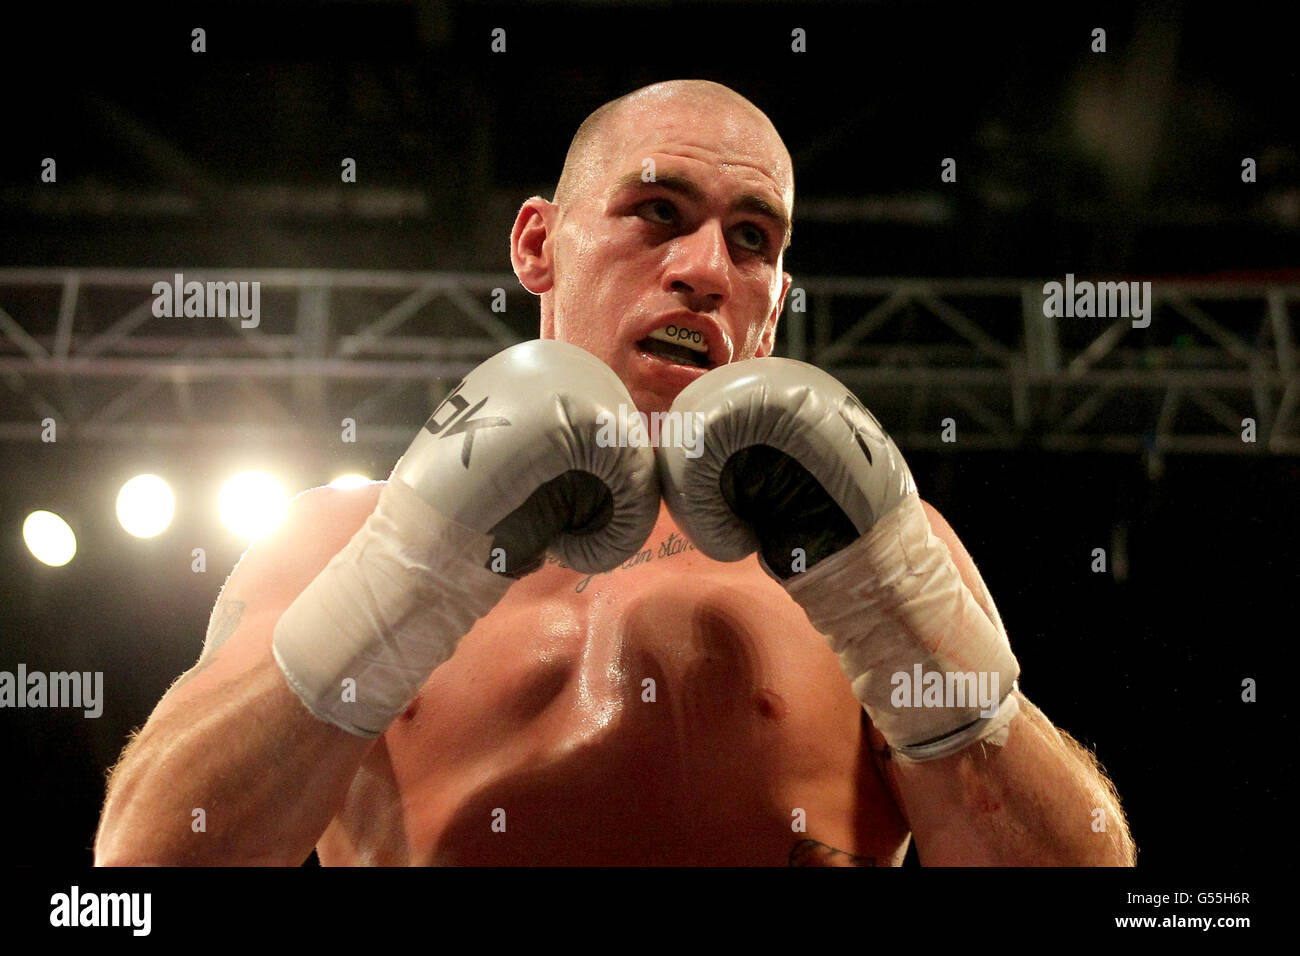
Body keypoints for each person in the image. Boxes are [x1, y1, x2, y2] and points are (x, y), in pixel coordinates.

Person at [94, 79, 1135, 866]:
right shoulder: (337, 535)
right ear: (538, 242)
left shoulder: (879, 546)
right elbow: (146, 860)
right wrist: (407, 573)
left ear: (776, 297)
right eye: (657, 212)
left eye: (752, 237)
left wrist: (892, 599)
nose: (705, 268)